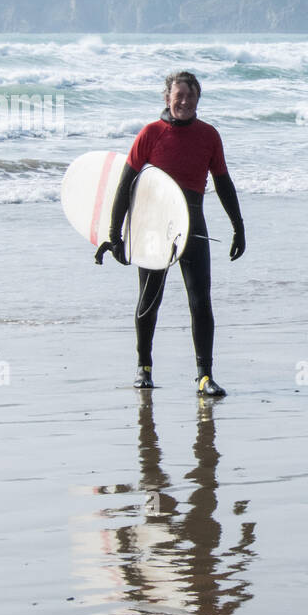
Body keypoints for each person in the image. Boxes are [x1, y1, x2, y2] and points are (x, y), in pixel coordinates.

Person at [99, 71, 246, 396]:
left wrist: (238, 226)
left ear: (197, 100)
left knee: (200, 302)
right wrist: (114, 233)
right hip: (154, 228)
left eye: (190, 97)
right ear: (167, 98)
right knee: (150, 300)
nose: (183, 102)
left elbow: (223, 183)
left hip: (193, 227)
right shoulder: (151, 134)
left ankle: (205, 376)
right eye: (178, 96)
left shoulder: (209, 136)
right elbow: (125, 185)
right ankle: (144, 368)